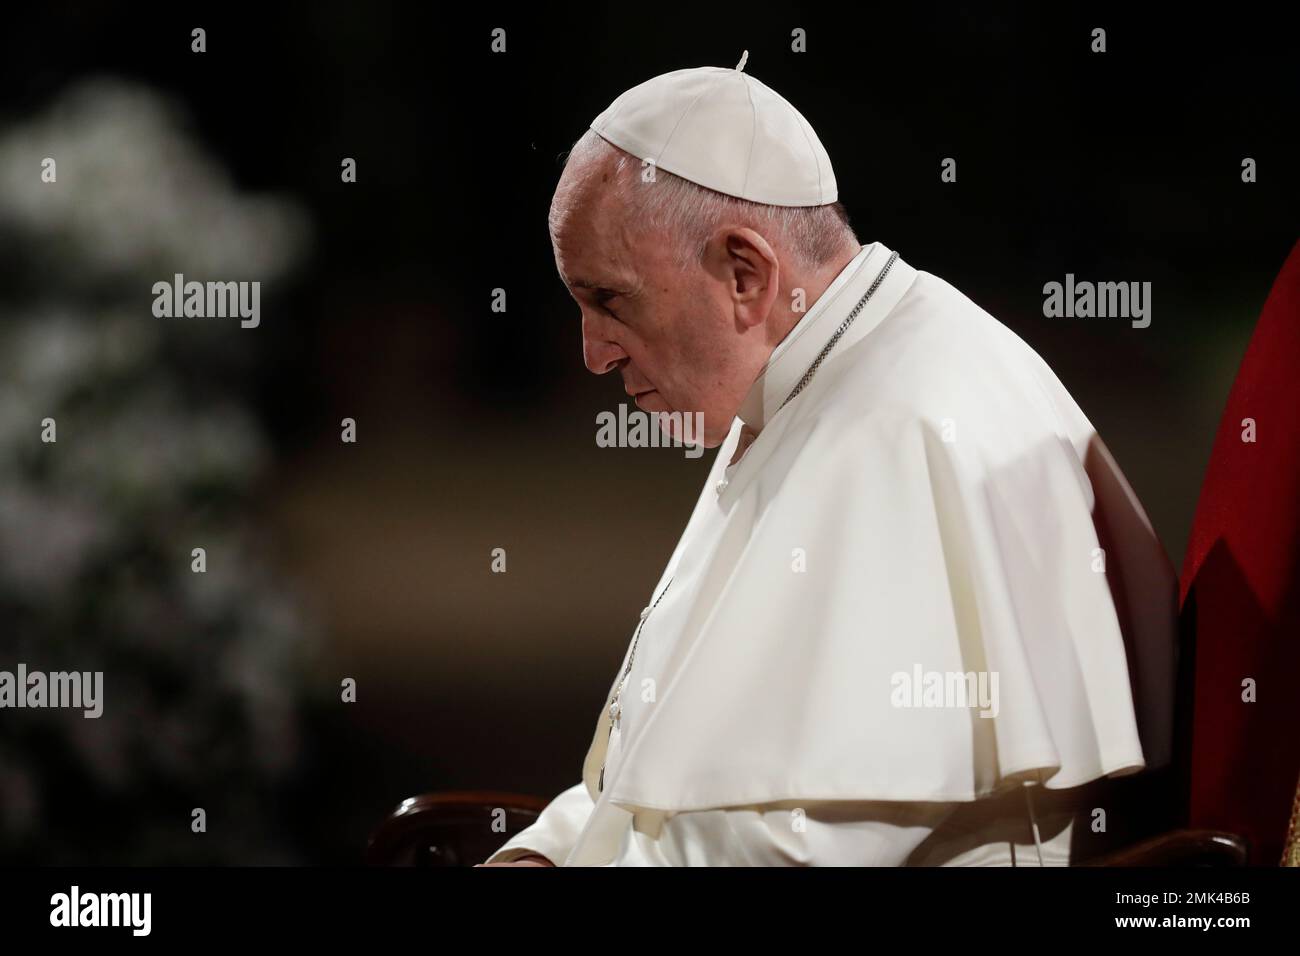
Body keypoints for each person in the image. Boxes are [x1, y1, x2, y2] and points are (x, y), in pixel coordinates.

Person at [478, 55, 1178, 867]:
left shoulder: (903, 427)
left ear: (745, 274)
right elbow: (680, 759)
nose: (593, 354)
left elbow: (791, 844)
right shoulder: (814, 371)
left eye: (609, 300)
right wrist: (547, 849)